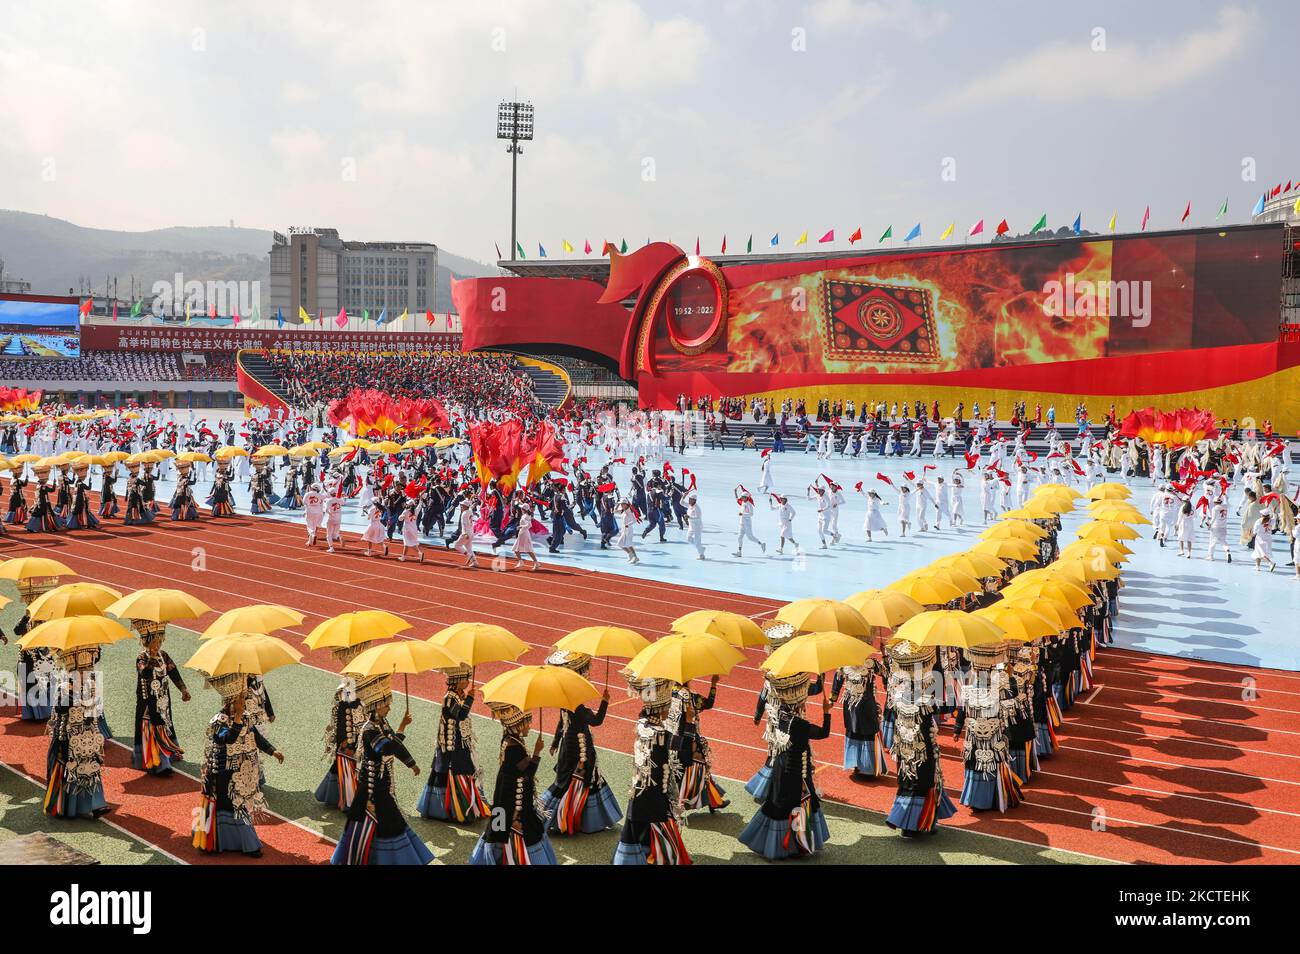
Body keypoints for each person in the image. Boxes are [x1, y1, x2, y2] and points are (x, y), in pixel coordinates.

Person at [332, 674, 434, 865]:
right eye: (386, 705)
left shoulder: (382, 724)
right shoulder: (370, 729)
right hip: (373, 786)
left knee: (374, 824)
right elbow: (386, 748)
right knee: (388, 822)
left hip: (381, 783)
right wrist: (402, 728)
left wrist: (411, 763)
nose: (389, 708)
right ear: (377, 706)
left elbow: (394, 745)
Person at [738, 671, 833, 859]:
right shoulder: (799, 724)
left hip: (782, 765)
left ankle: (788, 843)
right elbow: (823, 733)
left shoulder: (781, 714)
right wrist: (826, 711)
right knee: (798, 803)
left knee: (779, 803)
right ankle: (796, 844)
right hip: (797, 770)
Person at [192, 672, 284, 857]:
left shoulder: (246, 717)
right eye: (241, 698)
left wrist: (272, 751)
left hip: (243, 769)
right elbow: (228, 738)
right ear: (232, 700)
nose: (245, 700)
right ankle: (243, 844)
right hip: (223, 771)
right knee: (232, 805)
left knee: (238, 804)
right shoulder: (219, 720)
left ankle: (238, 842)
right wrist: (238, 717)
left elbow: (255, 736)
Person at [539, 650, 623, 835]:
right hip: (580, 750)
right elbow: (597, 721)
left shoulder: (566, 703)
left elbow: (562, 723)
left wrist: (554, 742)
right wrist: (605, 701)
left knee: (568, 781)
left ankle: (567, 817)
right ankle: (571, 819)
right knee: (582, 781)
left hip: (567, 748)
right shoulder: (578, 708)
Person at [613, 673, 691, 865]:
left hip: (639, 789)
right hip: (655, 793)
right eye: (666, 707)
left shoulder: (641, 724)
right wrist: (688, 722)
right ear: (659, 709)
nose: (668, 710)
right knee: (657, 824)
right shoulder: (662, 734)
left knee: (635, 828)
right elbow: (683, 750)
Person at [468, 702, 558, 865]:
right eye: (527, 722)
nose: (529, 726)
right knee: (509, 834)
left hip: (504, 804)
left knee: (497, 831)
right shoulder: (515, 748)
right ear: (518, 724)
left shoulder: (509, 739)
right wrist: (537, 752)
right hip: (514, 808)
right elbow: (526, 775)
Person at [884, 640, 957, 837]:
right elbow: (946, 706)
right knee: (924, 781)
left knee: (908, 780)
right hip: (922, 747)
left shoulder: (896, 693)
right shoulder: (926, 696)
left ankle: (915, 822)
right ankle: (916, 824)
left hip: (904, 747)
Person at [43, 647, 111, 819]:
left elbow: (95, 709)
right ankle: (68, 806)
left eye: (87, 670)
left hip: (87, 735)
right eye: (82, 671)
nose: (85, 673)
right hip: (67, 736)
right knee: (71, 768)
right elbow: (59, 708)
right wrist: (75, 697)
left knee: (91, 768)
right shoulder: (64, 687)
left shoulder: (89, 686)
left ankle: (97, 805)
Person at [417, 663, 490, 823]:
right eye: (466, 679)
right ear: (457, 680)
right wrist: (470, 698)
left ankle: (467, 806)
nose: (468, 681)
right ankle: (451, 810)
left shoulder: (458, 694)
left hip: (459, 742)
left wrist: (467, 697)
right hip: (451, 745)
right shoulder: (450, 698)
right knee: (453, 770)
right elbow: (461, 715)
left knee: (465, 768)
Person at [955, 643, 1023, 812]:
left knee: (982, 763)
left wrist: (957, 729)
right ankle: (984, 799)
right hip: (984, 735)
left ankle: (980, 799)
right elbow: (963, 710)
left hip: (987, 734)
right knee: (981, 763)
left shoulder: (993, 687)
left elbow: (1011, 702)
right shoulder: (980, 688)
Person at [313, 643, 369, 811]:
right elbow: (343, 713)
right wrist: (345, 739)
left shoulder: (356, 681)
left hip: (359, 729)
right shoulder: (348, 686)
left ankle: (334, 796)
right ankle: (347, 800)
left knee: (350, 764)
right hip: (350, 733)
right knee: (348, 764)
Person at [131, 626, 190, 776]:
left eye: (159, 642)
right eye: (154, 642)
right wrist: (151, 659)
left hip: (163, 699)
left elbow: (173, 672)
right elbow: (144, 673)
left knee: (166, 722)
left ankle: (170, 750)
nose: (157, 645)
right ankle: (159, 762)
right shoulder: (141, 658)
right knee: (152, 726)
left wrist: (183, 689)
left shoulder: (164, 655)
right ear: (146, 643)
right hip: (147, 702)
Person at [669, 676, 730, 813]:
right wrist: (713, 684)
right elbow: (709, 703)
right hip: (689, 739)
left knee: (682, 771)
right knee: (699, 769)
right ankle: (683, 803)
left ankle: (714, 801)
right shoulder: (689, 697)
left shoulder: (667, 694)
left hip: (671, 740)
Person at [832, 653, 887, 778]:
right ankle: (857, 764)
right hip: (851, 705)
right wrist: (833, 697)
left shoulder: (871, 663)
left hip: (866, 704)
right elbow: (838, 679)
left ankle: (867, 768)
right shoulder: (844, 664)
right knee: (853, 731)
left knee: (867, 731)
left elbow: (886, 673)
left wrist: (884, 657)